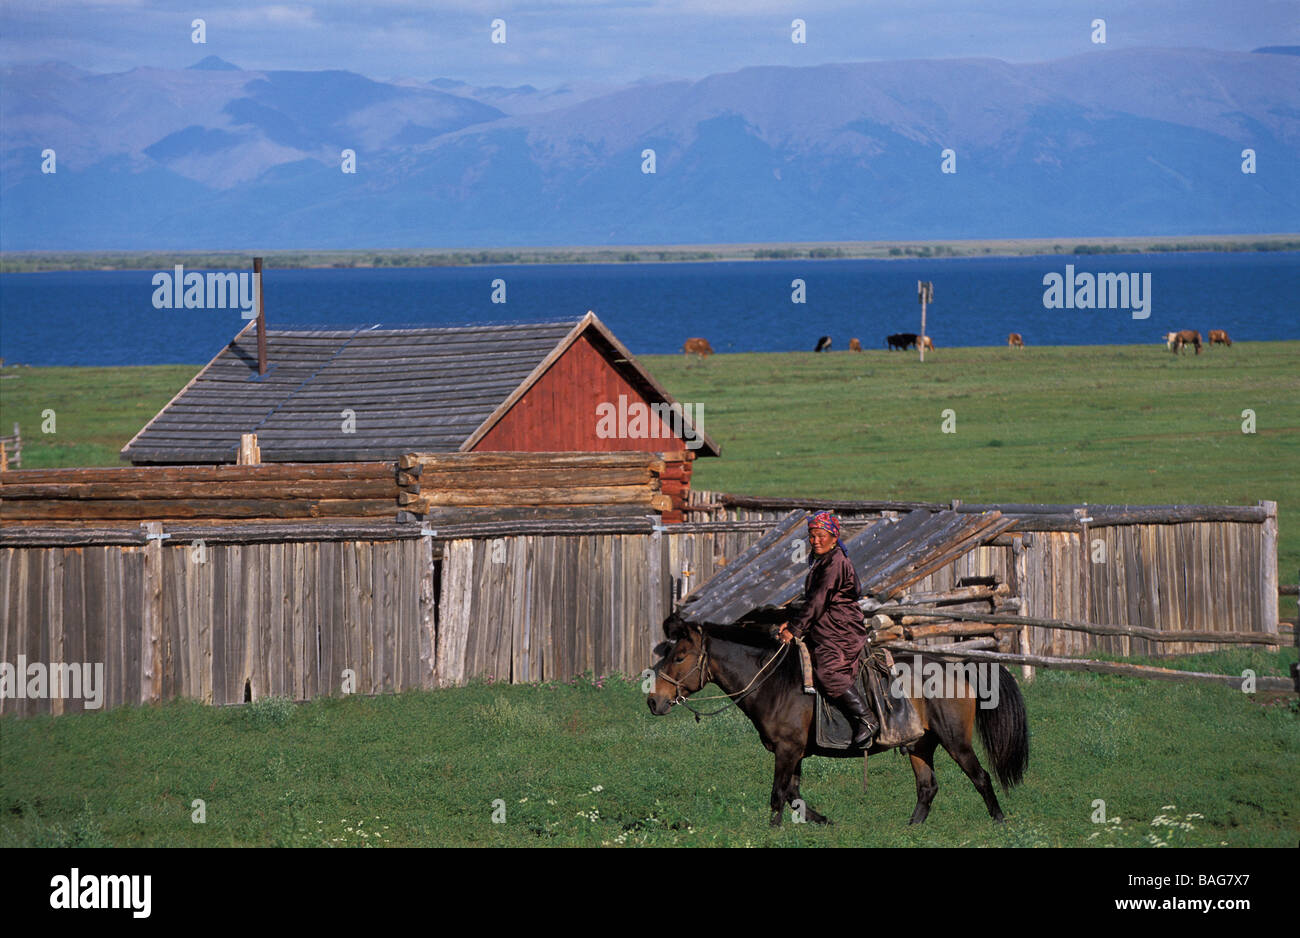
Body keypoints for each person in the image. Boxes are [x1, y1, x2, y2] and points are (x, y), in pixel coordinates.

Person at [778, 511, 879, 748]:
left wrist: (794, 629)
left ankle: (867, 719)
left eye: (821, 536)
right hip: (826, 626)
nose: (816, 541)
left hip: (841, 631)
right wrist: (791, 620)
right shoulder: (821, 561)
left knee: (828, 672)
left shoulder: (836, 563)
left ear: (834, 537)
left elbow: (819, 600)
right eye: (812, 537)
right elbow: (813, 599)